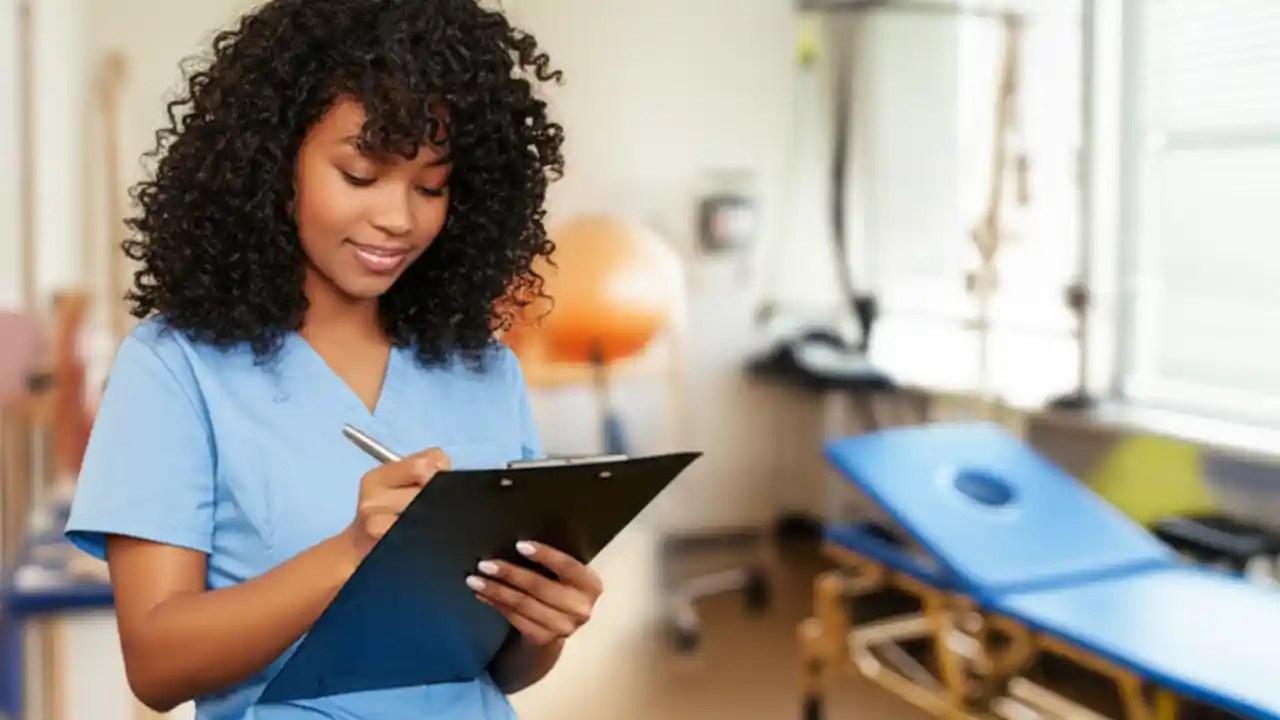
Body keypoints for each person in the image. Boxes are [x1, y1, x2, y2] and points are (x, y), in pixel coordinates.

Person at [62, 1, 601, 718]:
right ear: (276, 163)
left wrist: (544, 622)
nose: (399, 218)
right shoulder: (174, 368)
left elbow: (495, 669)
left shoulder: (483, 370)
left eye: (431, 186)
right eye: (359, 174)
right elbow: (156, 667)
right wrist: (350, 554)